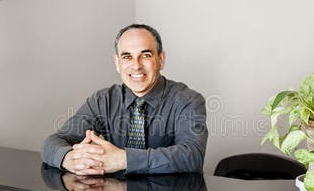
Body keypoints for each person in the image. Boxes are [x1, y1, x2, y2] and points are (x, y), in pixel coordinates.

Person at [41, 23, 207, 175]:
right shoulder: (102, 100)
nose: (136, 65)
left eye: (146, 55)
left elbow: (192, 156)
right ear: (117, 62)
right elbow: (53, 142)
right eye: (127, 56)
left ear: (161, 59)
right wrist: (69, 158)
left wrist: (123, 159)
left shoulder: (188, 100)